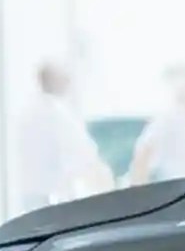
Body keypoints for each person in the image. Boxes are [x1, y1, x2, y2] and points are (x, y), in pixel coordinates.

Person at [12, 59, 114, 212]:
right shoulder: (57, 113)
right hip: (53, 197)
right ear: (55, 81)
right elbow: (83, 154)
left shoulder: (28, 112)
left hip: (31, 194)